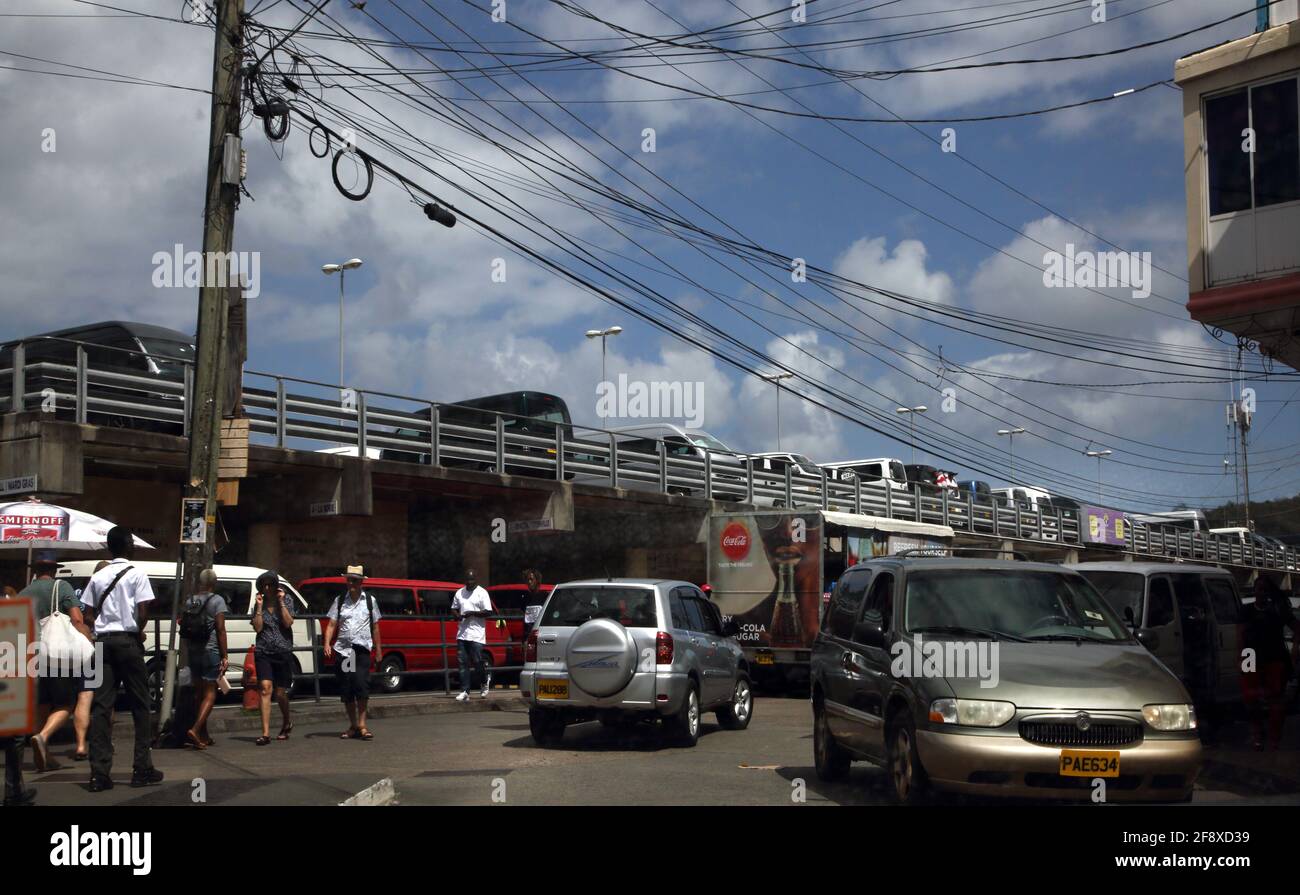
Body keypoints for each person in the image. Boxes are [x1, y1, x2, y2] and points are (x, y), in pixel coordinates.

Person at [80, 526, 163, 791]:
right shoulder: (137, 574)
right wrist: (138, 633)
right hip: (128, 642)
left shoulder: (99, 576)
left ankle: (99, 774)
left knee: (101, 707)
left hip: (103, 644)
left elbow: (88, 614)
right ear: (127, 545)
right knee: (141, 704)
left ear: (108, 547)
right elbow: (142, 612)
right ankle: (142, 768)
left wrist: (99, 628)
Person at [22, 551, 92, 772]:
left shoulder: (24, 592)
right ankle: (43, 736)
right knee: (65, 703)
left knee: (42, 703)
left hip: (31, 655)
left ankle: (45, 754)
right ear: (54, 570)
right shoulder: (61, 587)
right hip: (55, 654)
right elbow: (77, 618)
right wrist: (86, 642)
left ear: (35, 571)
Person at [324, 566, 382, 740]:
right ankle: (353, 725)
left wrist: (379, 649)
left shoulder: (370, 601)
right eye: (349, 579)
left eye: (355, 580)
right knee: (347, 686)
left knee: (361, 684)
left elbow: (376, 627)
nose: (351, 583)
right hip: (344, 650)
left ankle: (363, 724)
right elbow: (332, 624)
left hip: (361, 649)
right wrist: (327, 643)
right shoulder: (340, 600)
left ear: (362, 581)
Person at [1242, 578, 1300, 751]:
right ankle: (1257, 735)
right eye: (1259, 589)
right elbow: (1241, 634)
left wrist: (1294, 650)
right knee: (1250, 698)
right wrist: (1242, 658)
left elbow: (1297, 628)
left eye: (1265, 590)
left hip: (1274, 657)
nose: (1261, 593)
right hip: (1251, 656)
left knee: (1275, 699)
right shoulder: (1247, 610)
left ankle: (1274, 738)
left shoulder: (1277, 610)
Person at [182, 568, 228, 750]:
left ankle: (204, 734)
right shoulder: (217, 601)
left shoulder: (190, 601)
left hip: (194, 651)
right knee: (210, 693)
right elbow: (220, 628)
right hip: (210, 651)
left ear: (200, 582)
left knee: (199, 693)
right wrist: (225, 655)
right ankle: (195, 729)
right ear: (214, 583)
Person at [251, 570, 294, 746]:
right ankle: (266, 732)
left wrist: (282, 602)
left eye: (270, 584)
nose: (267, 588)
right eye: (264, 585)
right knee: (265, 688)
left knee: (280, 692)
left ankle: (286, 721)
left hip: (282, 651)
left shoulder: (286, 600)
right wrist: (259, 607)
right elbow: (257, 628)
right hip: (263, 651)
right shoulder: (258, 604)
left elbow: (288, 622)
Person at [452, 569, 494, 702]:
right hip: (463, 633)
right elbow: (453, 607)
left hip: (477, 634)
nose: (469, 583)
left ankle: (484, 680)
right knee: (462, 662)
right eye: (467, 580)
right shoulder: (460, 592)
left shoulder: (482, 593)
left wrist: (472, 613)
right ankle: (465, 691)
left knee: (477, 661)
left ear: (476, 579)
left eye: (472, 580)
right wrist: (457, 615)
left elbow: (489, 612)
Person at [521, 568, 545, 646]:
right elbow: (525, 619)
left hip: (540, 635)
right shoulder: (525, 597)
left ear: (537, 580)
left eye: (531, 579)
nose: (529, 582)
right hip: (527, 635)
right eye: (527, 580)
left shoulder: (544, 596)